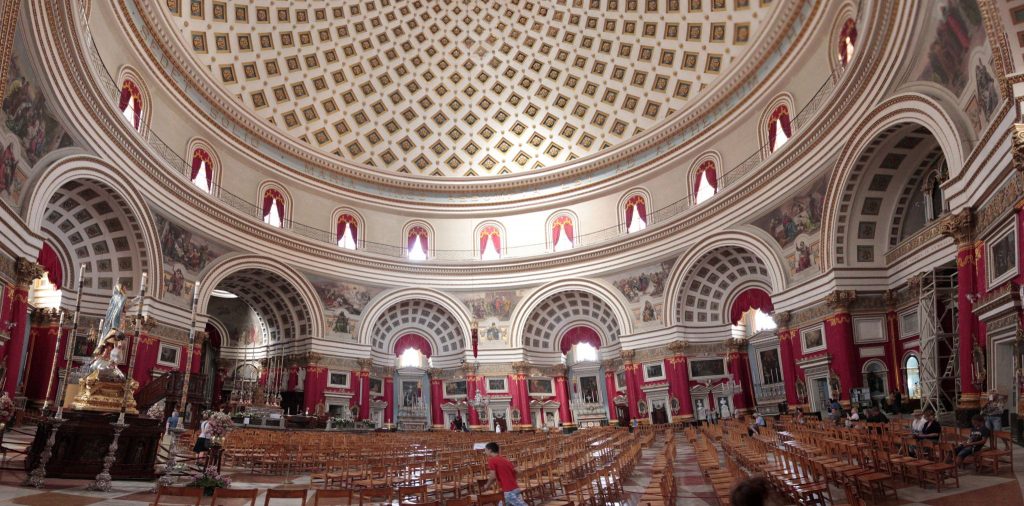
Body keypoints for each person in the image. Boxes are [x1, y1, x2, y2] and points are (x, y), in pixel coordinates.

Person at [483, 442, 528, 506]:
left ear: (489, 450)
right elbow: (518, 471)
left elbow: (493, 476)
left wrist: (487, 485)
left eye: (485, 450)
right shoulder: (505, 459)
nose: (485, 452)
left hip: (509, 490)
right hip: (514, 487)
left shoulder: (492, 460)